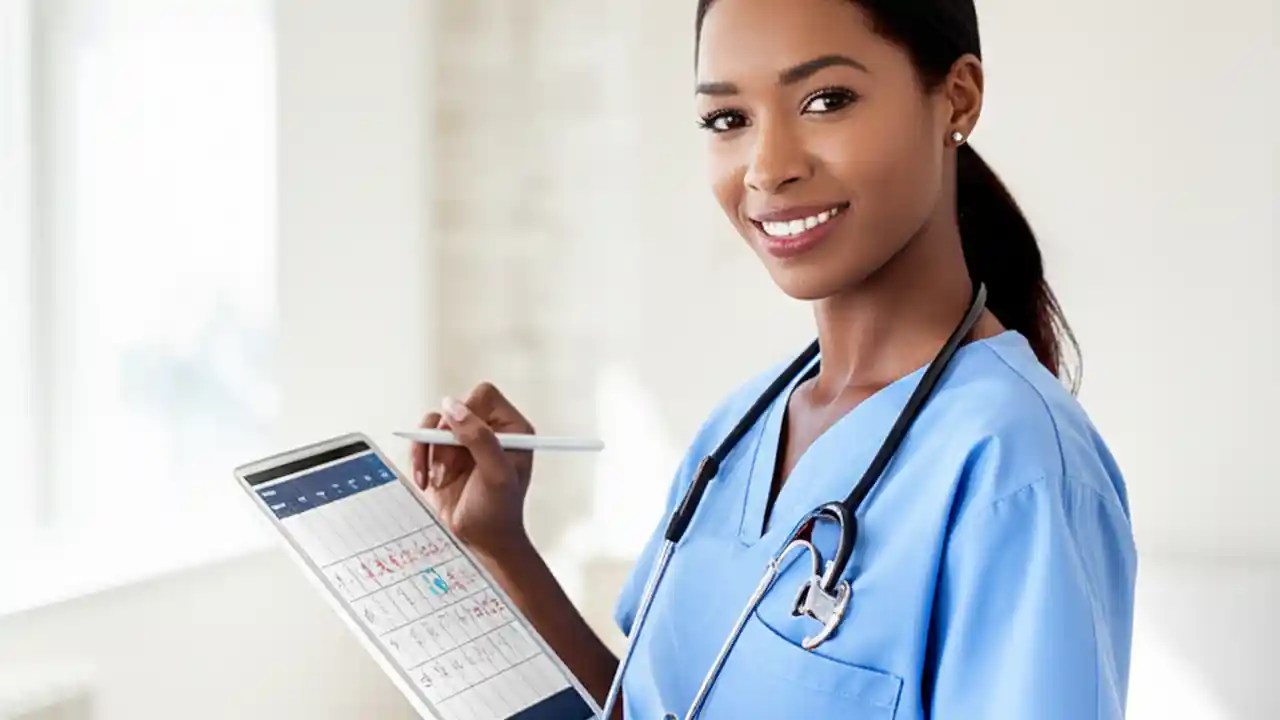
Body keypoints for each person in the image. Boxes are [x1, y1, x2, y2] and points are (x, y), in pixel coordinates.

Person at [411, 0, 1137, 716]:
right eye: (729, 119)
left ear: (957, 97)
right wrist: (503, 546)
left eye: (826, 100)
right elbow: (653, 705)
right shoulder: (739, 430)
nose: (767, 167)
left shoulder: (1016, 464)